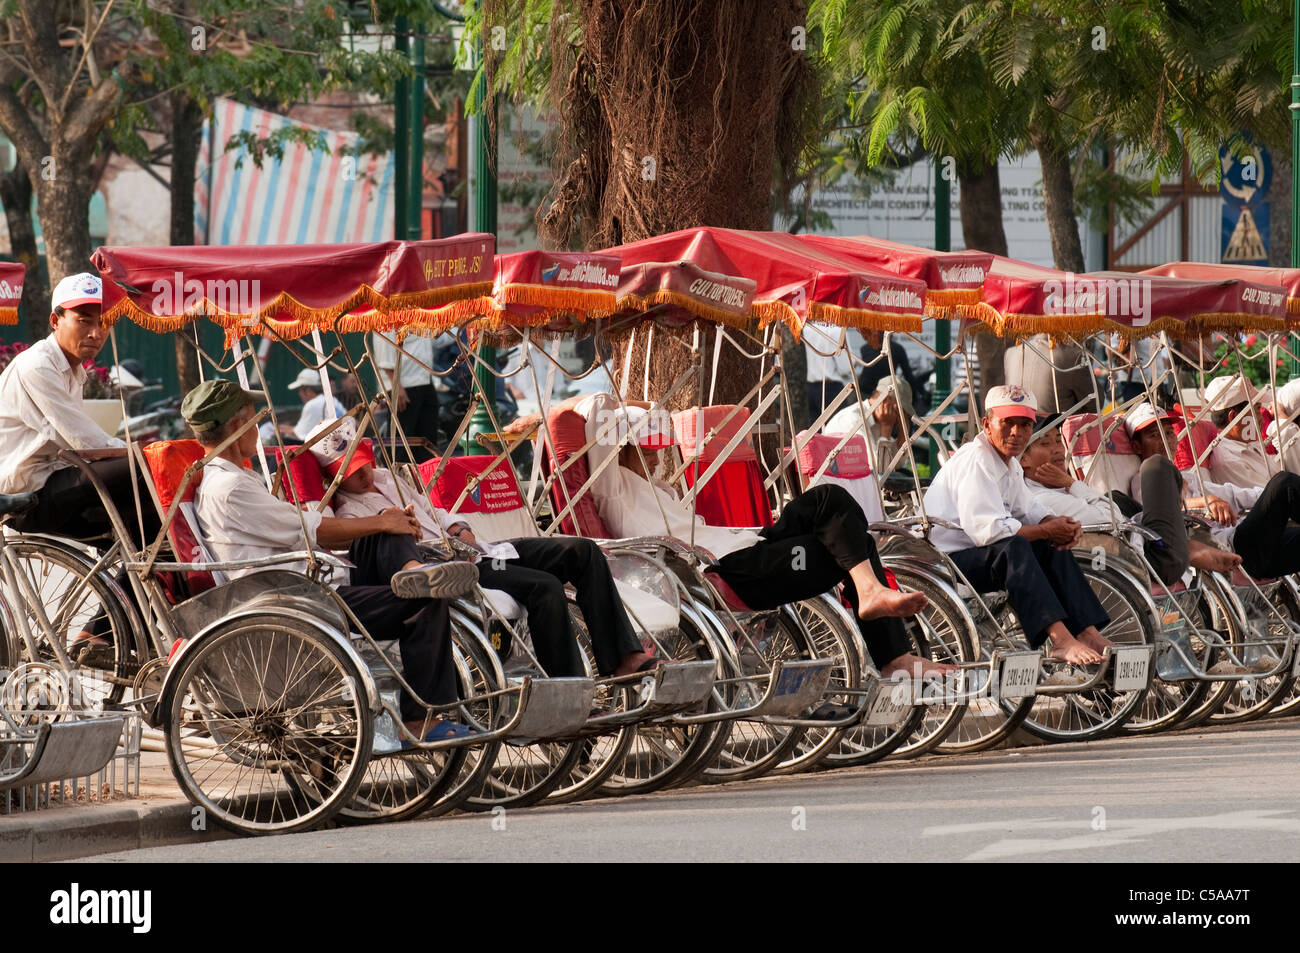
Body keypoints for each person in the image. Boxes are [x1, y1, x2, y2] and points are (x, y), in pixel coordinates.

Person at [182, 379, 479, 741]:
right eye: (252, 420)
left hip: (308, 583)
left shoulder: (237, 477)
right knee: (424, 603)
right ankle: (417, 720)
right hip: (293, 598)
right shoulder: (230, 488)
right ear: (236, 426)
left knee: (387, 523)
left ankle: (412, 571)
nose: (257, 429)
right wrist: (383, 521)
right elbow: (310, 529)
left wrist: (386, 520)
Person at [580, 397, 943, 681]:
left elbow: (651, 445)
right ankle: (891, 650)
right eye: (645, 446)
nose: (656, 454)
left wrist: (645, 411)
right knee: (850, 542)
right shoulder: (613, 490)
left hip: (748, 545)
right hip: (725, 568)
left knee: (830, 501)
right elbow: (598, 413)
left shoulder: (652, 487)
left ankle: (872, 602)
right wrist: (572, 410)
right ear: (624, 446)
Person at [312, 417, 657, 679]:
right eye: (351, 471)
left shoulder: (388, 477)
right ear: (334, 478)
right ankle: (568, 687)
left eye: (363, 463)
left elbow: (435, 511)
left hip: (484, 548)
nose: (364, 475)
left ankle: (624, 656)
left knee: (582, 552)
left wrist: (459, 525)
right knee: (545, 586)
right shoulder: (351, 512)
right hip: (453, 564)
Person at [922, 384, 1114, 666]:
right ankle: (1061, 640)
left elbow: (1030, 509)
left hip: (980, 556)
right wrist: (1045, 529)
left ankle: (1087, 632)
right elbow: (988, 531)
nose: (1016, 432)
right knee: (1016, 548)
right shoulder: (977, 460)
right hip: (945, 563)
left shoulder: (1008, 464)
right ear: (987, 424)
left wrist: (1056, 523)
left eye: (1024, 425)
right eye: (1007, 423)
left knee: (1047, 543)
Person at [0, 273, 160, 546]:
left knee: (150, 524)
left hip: (55, 478)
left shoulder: (74, 371)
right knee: (150, 465)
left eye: (104, 323)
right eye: (84, 320)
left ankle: (142, 583)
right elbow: (85, 441)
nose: (96, 333)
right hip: (27, 494)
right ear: (55, 320)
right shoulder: (38, 366)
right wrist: (145, 453)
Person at [1018, 421, 1240, 579]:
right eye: (1045, 443)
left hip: (1142, 547)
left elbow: (1111, 508)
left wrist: (1071, 486)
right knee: (1156, 466)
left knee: (1115, 497)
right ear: (1024, 459)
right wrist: (1071, 483)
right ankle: (1187, 547)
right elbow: (1110, 516)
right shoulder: (1042, 498)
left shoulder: (1058, 490)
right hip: (1144, 559)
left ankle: (1187, 546)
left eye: (1058, 440)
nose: (1057, 449)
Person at [1127, 400, 1300, 580]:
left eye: (1169, 433)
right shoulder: (1143, 480)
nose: (1165, 440)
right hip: (1231, 548)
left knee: (1280, 489)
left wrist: (1269, 498)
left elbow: (1233, 494)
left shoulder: (1189, 477)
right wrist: (1204, 501)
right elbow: (1157, 513)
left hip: (1252, 548)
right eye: (1154, 435)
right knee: (1284, 484)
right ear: (1137, 446)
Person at [825, 375, 915, 474]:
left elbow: (896, 464)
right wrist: (886, 427)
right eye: (900, 411)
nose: (901, 415)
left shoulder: (878, 419)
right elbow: (879, 469)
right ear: (885, 401)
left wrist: (903, 431)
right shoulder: (854, 419)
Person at [372, 329, 439, 453]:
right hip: (404, 385)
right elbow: (384, 348)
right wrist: (396, 386)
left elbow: (433, 339)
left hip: (425, 380)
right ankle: (397, 472)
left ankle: (427, 471)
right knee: (402, 444)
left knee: (428, 441)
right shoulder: (389, 314)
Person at [1202, 374, 1273, 488]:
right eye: (1257, 409)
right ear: (1234, 416)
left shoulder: (1251, 445)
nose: (1262, 419)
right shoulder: (1229, 462)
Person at [1003, 333, 1095, 415]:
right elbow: (1095, 403)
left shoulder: (1011, 353)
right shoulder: (1072, 356)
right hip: (1055, 429)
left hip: (1021, 426)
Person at [288, 368, 345, 441]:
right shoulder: (333, 400)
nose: (299, 394)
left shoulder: (311, 405)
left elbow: (298, 434)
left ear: (308, 391)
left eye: (300, 390)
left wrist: (278, 430)